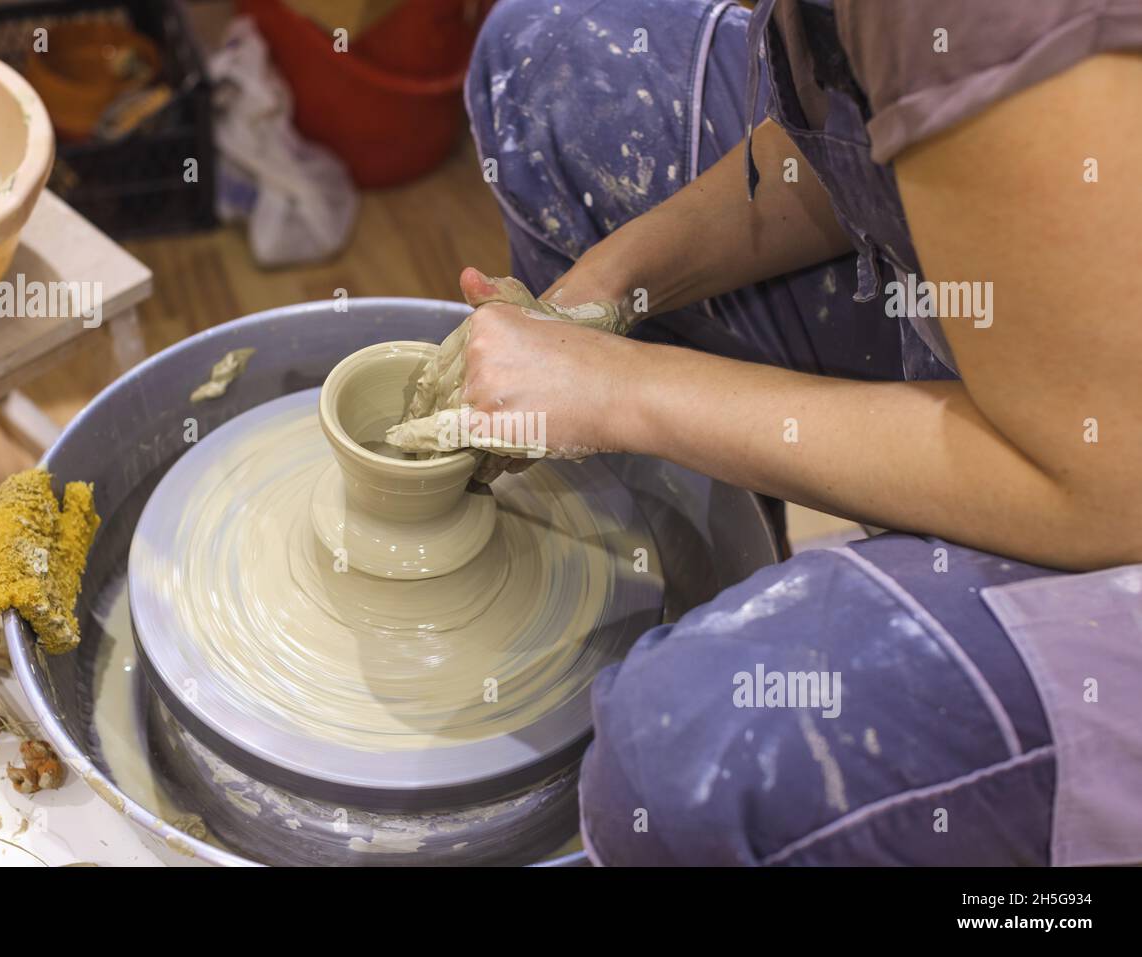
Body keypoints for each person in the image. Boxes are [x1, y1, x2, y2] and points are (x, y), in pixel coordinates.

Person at [454, 0, 1142, 865]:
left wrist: (619, 391)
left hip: (1114, 489)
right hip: (1067, 333)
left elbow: (1099, 488)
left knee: (686, 760)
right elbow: (854, 148)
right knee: (547, 62)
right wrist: (602, 297)